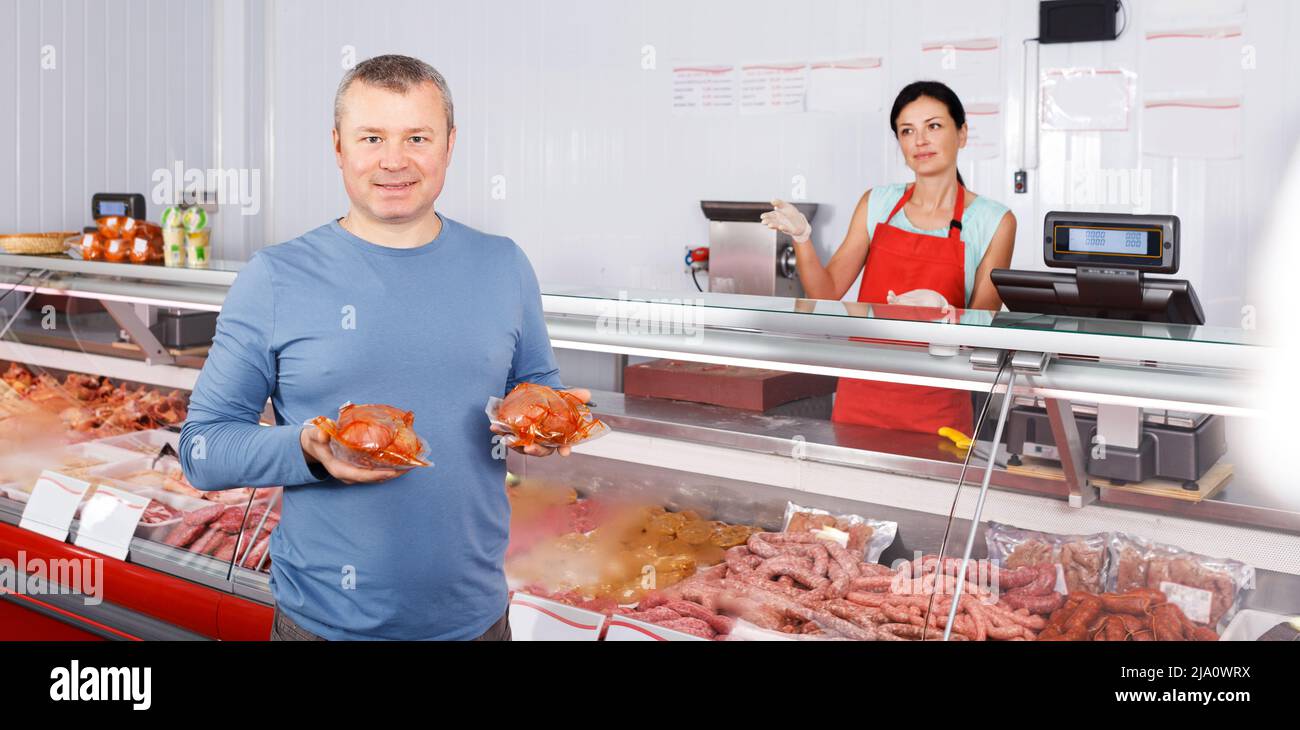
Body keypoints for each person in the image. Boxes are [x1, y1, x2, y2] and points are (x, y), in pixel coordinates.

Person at [180, 54, 586, 640]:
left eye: (416, 137)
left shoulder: (504, 264)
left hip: (479, 622)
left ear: (449, 144)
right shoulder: (275, 277)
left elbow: (534, 383)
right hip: (323, 627)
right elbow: (203, 450)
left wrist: (548, 423)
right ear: (338, 146)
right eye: (372, 137)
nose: (394, 160)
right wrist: (310, 450)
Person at [761, 80, 1016, 435]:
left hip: (937, 405)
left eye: (934, 126)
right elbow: (826, 294)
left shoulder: (995, 221)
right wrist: (803, 240)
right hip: (862, 393)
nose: (920, 140)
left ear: (962, 134)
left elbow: (982, 334)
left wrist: (947, 313)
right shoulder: (877, 203)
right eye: (907, 131)